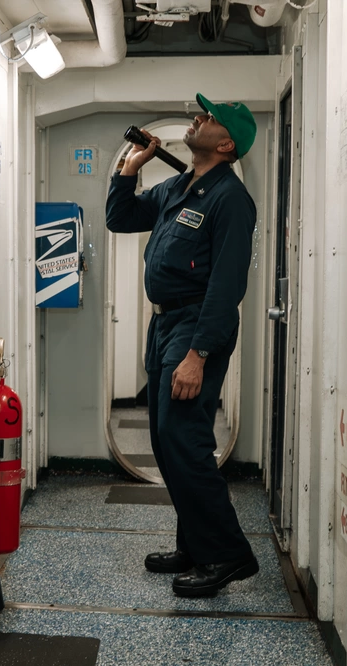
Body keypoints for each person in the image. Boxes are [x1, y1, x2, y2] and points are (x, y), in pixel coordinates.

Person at [105, 94, 258, 598]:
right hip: (165, 326)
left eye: (207, 118)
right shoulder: (178, 186)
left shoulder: (230, 200)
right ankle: (194, 543)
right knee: (168, 443)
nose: (198, 119)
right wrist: (130, 168)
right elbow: (121, 218)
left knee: (185, 442)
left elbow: (226, 286)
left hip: (195, 329)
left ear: (226, 143)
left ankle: (227, 555)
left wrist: (198, 354)